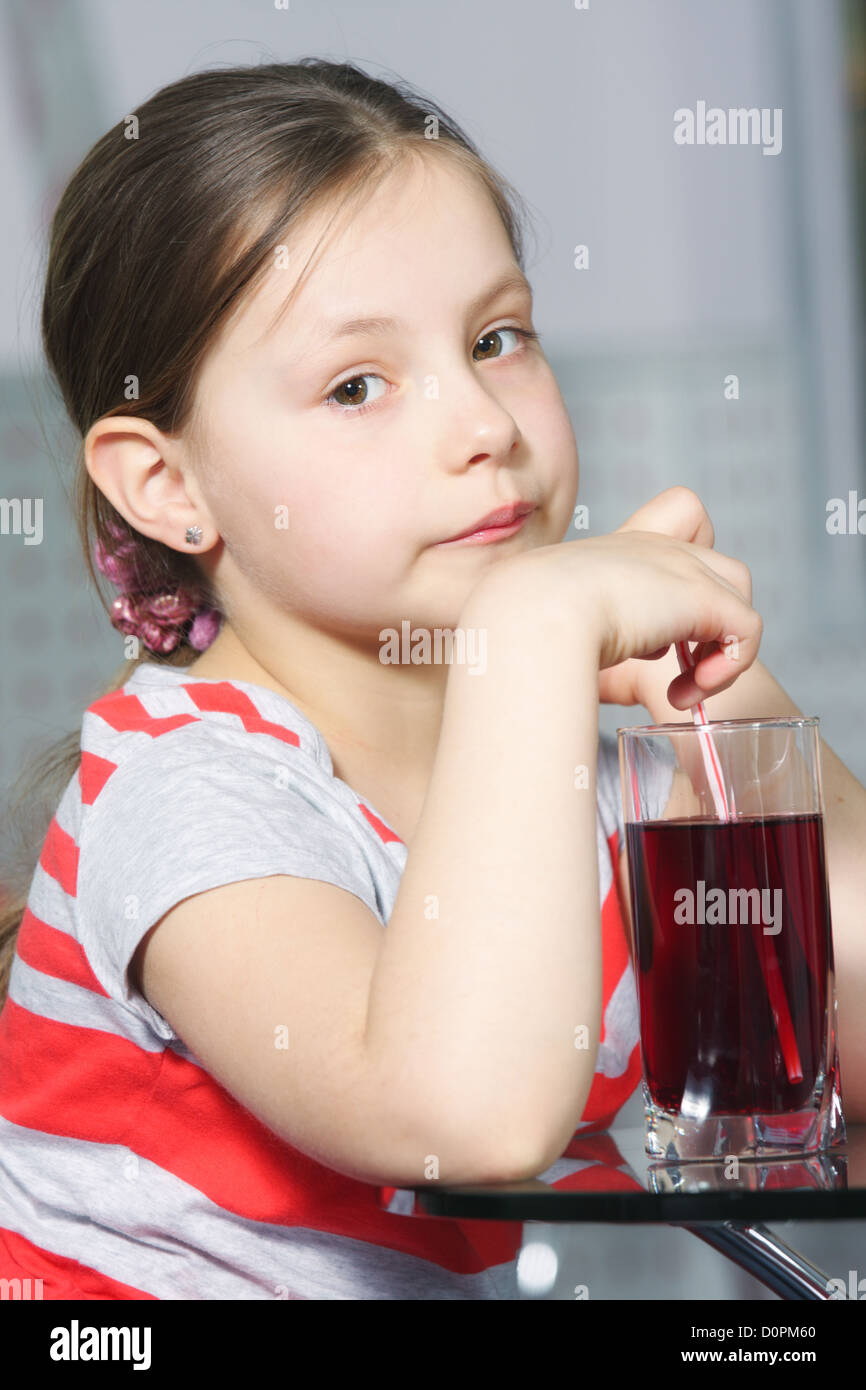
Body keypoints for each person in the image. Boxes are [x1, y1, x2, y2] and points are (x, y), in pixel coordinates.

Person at [0, 59, 763, 1300]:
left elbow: (830, 1042)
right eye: (356, 385)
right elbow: (458, 1111)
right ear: (168, 486)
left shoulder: (585, 772)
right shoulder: (183, 792)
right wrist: (529, 633)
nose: (482, 423)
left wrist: (728, 695)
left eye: (495, 338)